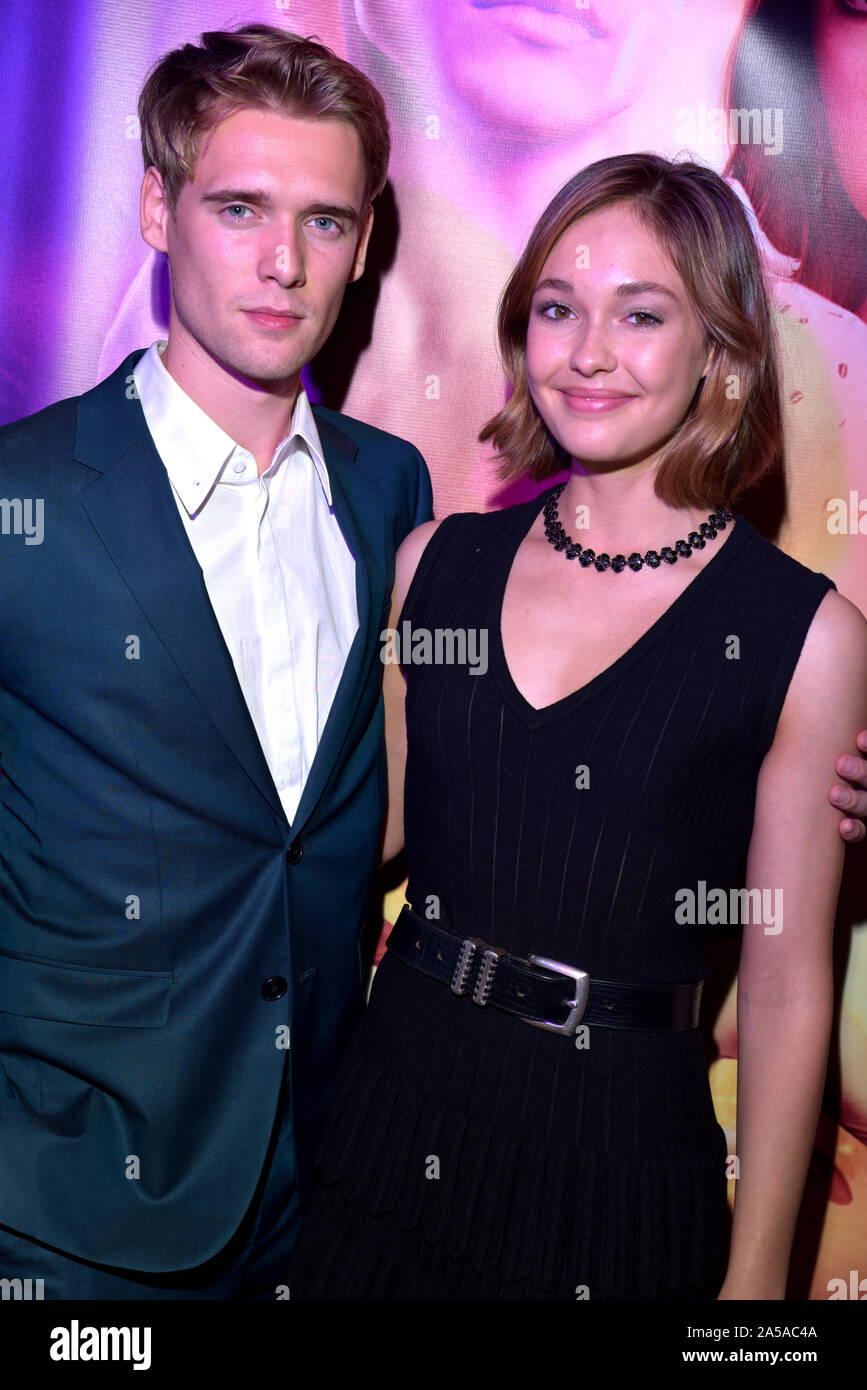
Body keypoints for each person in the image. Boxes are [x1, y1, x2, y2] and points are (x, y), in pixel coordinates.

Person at [285, 152, 867, 1300]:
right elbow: (359, 832)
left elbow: (792, 986)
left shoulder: (807, 638)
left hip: (620, 1166)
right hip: (388, 1121)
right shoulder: (434, 567)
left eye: (642, 314)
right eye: (557, 308)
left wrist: (755, 1304)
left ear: (723, 350)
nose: (587, 352)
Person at [0, 25, 432, 1299]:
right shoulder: (24, 500)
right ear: (155, 207)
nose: (284, 264)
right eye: (240, 207)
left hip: (323, 1194)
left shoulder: (385, 490)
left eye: (328, 222)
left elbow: (379, 808)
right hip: (66, 1215)